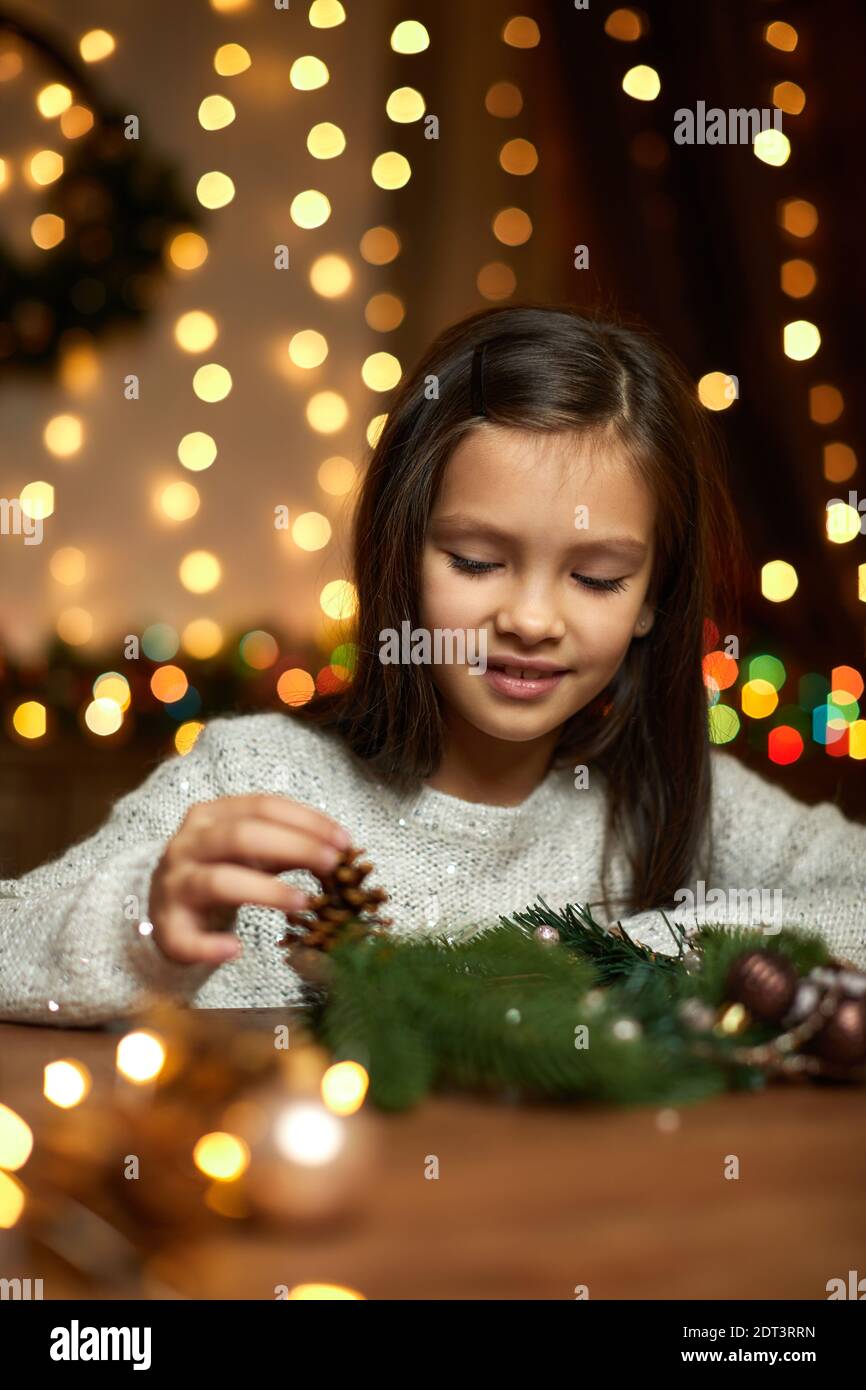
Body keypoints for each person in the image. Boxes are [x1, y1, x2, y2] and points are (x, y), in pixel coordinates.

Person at [1, 303, 863, 1026]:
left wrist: (625, 956)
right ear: (399, 556)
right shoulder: (256, 778)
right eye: (477, 563)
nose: (530, 619)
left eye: (596, 577)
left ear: (651, 601)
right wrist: (144, 922)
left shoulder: (672, 798)